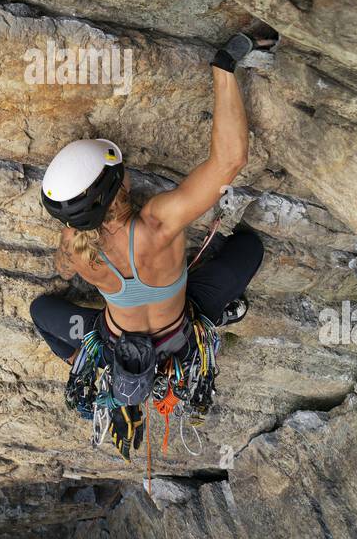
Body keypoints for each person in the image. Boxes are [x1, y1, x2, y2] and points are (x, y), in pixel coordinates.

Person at [30, 32, 269, 375]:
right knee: (249, 248)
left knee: (41, 311)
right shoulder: (158, 224)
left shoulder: (74, 244)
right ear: (117, 185)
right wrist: (225, 65)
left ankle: (83, 362)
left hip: (116, 347)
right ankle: (212, 317)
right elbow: (230, 160)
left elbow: (65, 269)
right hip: (179, 337)